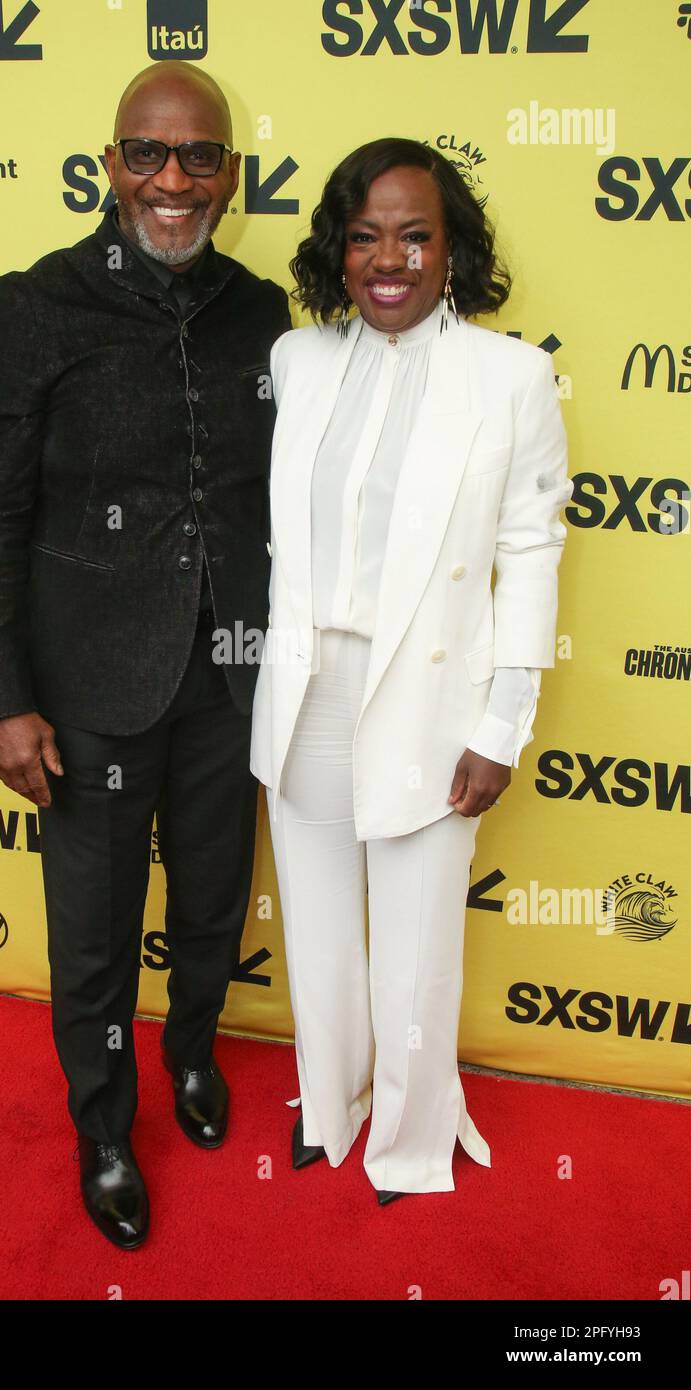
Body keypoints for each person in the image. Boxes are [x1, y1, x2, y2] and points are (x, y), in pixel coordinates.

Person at [0, 61, 291, 1249]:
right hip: (85, 692)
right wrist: (2, 697)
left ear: (229, 177)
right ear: (109, 166)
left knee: (208, 907)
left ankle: (193, 1056)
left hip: (228, 681)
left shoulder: (259, 311)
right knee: (93, 938)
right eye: (147, 153)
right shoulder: (33, 303)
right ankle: (103, 1127)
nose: (172, 179)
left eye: (198, 157)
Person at [250, 137, 574, 1203]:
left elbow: (529, 551)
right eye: (363, 235)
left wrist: (501, 723)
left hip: (432, 699)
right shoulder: (299, 360)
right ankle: (330, 1100)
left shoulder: (511, 377)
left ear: (450, 250)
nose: (387, 257)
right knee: (317, 924)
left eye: (413, 234)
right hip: (306, 691)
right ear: (337, 251)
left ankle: (408, 1137)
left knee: (417, 941)